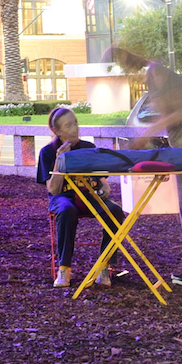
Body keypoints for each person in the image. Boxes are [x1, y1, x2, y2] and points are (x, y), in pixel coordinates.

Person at [111, 45, 182, 287]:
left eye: (121, 59)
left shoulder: (157, 72)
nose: (122, 66)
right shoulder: (152, 76)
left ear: (132, 56)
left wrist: (145, 135)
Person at [37, 105, 126, 287]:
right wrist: (59, 161)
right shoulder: (47, 152)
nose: (75, 128)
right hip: (64, 197)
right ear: (57, 131)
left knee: (115, 211)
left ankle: (104, 267)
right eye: (69, 125)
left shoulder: (88, 148)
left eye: (75, 123)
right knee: (66, 210)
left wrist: (103, 189)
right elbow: (53, 190)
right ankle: (64, 269)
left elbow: (103, 183)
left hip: (90, 195)